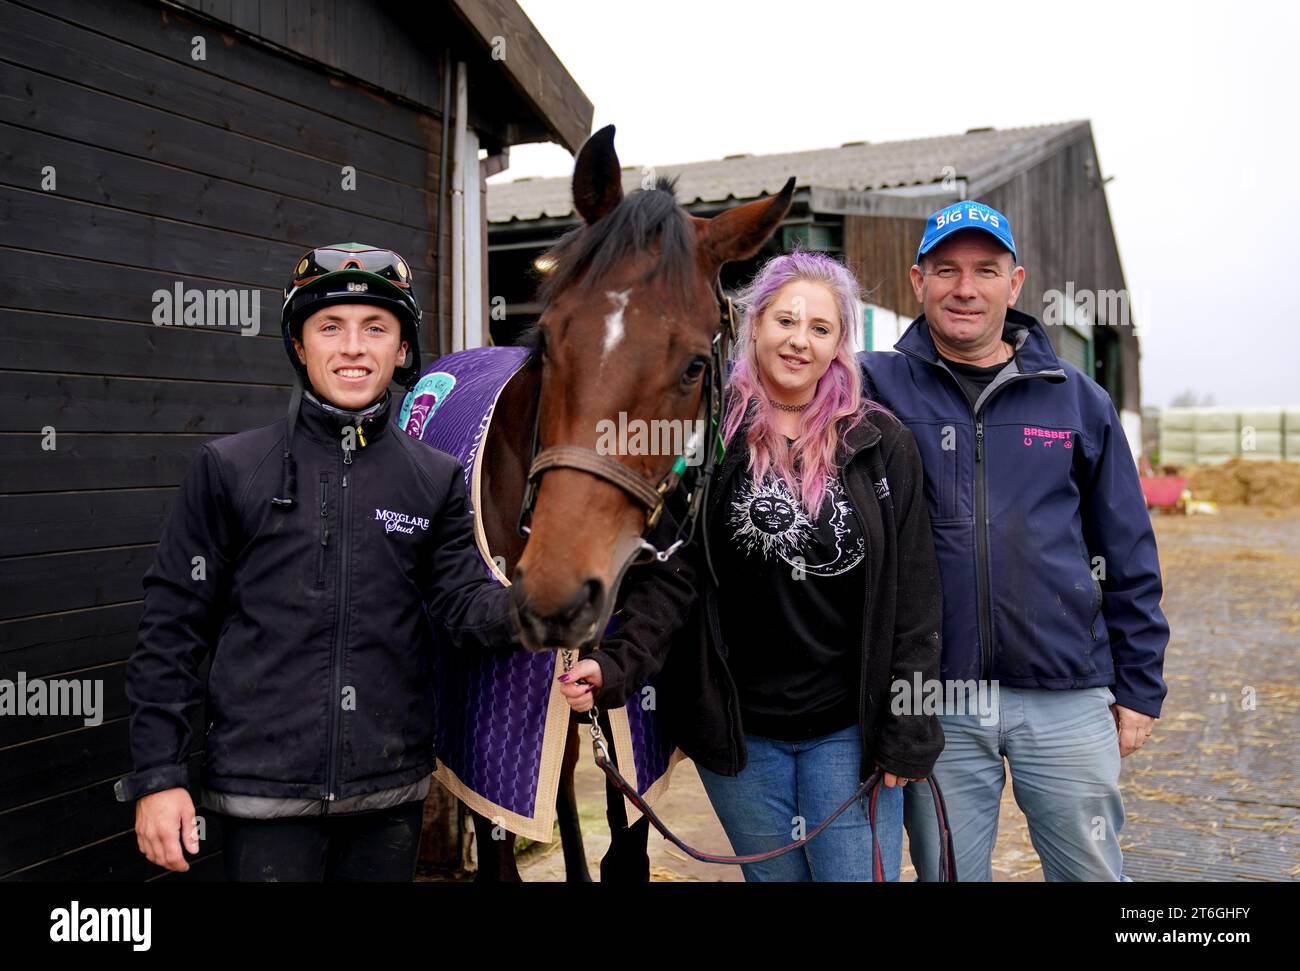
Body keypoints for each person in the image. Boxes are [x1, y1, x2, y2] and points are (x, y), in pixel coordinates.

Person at [115, 243, 523, 881]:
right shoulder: (229, 468)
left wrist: (544, 604)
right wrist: (158, 778)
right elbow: (170, 633)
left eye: (376, 328)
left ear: (402, 350)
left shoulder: (434, 478)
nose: (354, 347)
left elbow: (465, 607)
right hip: (264, 798)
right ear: (300, 347)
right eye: (330, 327)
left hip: (388, 798)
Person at [559, 251, 944, 881]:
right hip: (741, 732)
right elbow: (671, 576)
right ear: (754, 325)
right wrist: (615, 663)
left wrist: (910, 726)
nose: (799, 341)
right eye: (785, 321)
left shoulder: (880, 444)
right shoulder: (707, 440)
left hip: (848, 731)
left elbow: (918, 601)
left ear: (841, 343)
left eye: (821, 328)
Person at [859, 202, 1169, 881]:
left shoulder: (1077, 401)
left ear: (1016, 282)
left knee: (1090, 870)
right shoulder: (869, 387)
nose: (965, 288)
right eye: (947, 270)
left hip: (1066, 693)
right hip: (933, 700)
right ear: (918, 281)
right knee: (949, 873)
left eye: (985, 271)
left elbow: (1129, 554)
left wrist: (1140, 684)